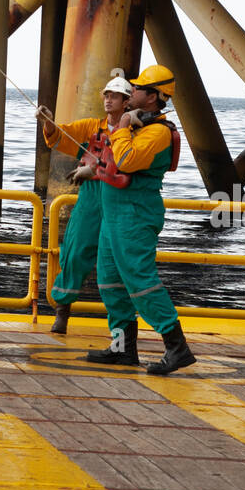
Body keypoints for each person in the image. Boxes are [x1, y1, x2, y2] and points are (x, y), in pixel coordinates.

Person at [86, 63, 196, 375]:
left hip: (135, 214)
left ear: (152, 97)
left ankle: (177, 347)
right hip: (113, 213)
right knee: (110, 280)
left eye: (136, 88)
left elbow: (126, 160)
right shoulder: (136, 126)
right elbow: (110, 159)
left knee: (139, 280)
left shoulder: (159, 132)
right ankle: (122, 348)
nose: (129, 91)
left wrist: (121, 125)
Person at [37, 72, 132, 335]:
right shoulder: (92, 127)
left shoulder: (135, 132)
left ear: (127, 101)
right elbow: (60, 136)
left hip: (120, 200)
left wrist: (95, 169)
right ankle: (62, 313)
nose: (108, 100)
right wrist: (48, 123)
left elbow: (130, 165)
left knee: (117, 261)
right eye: (107, 95)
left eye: (115, 96)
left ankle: (123, 327)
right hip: (91, 199)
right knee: (75, 251)